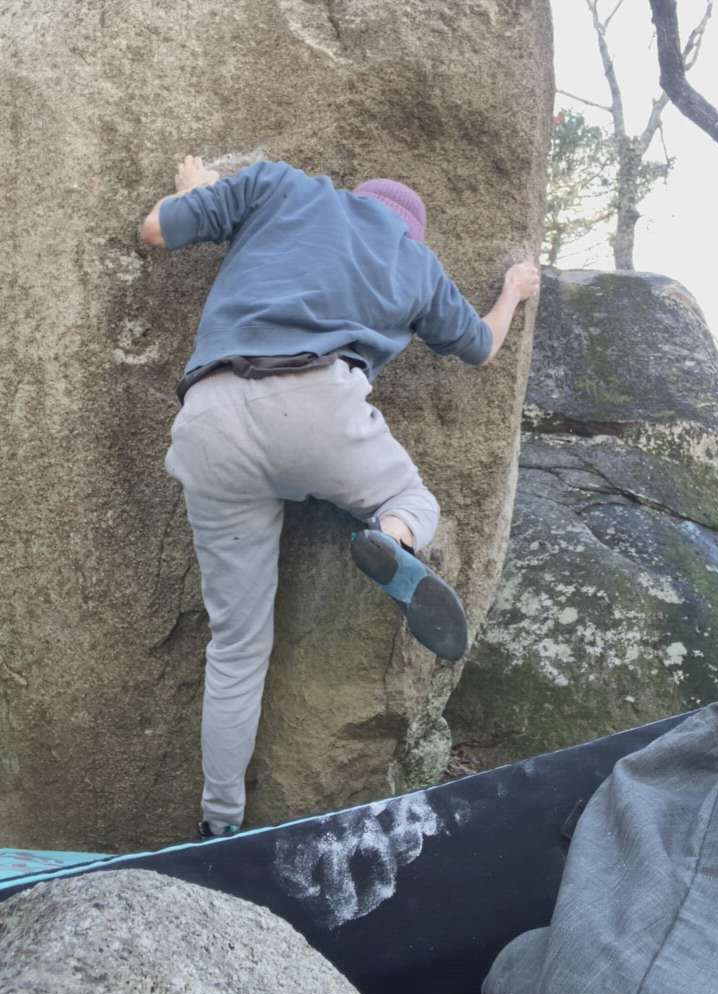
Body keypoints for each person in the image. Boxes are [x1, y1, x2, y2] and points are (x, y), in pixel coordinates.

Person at [140, 154, 540, 838]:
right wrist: (513, 291)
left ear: (355, 198)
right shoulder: (415, 266)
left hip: (211, 419)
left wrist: (193, 190)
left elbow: (154, 231)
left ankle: (219, 823)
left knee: (237, 645)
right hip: (320, 411)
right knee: (414, 500)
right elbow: (480, 348)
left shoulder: (282, 190)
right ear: (410, 233)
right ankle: (393, 537)